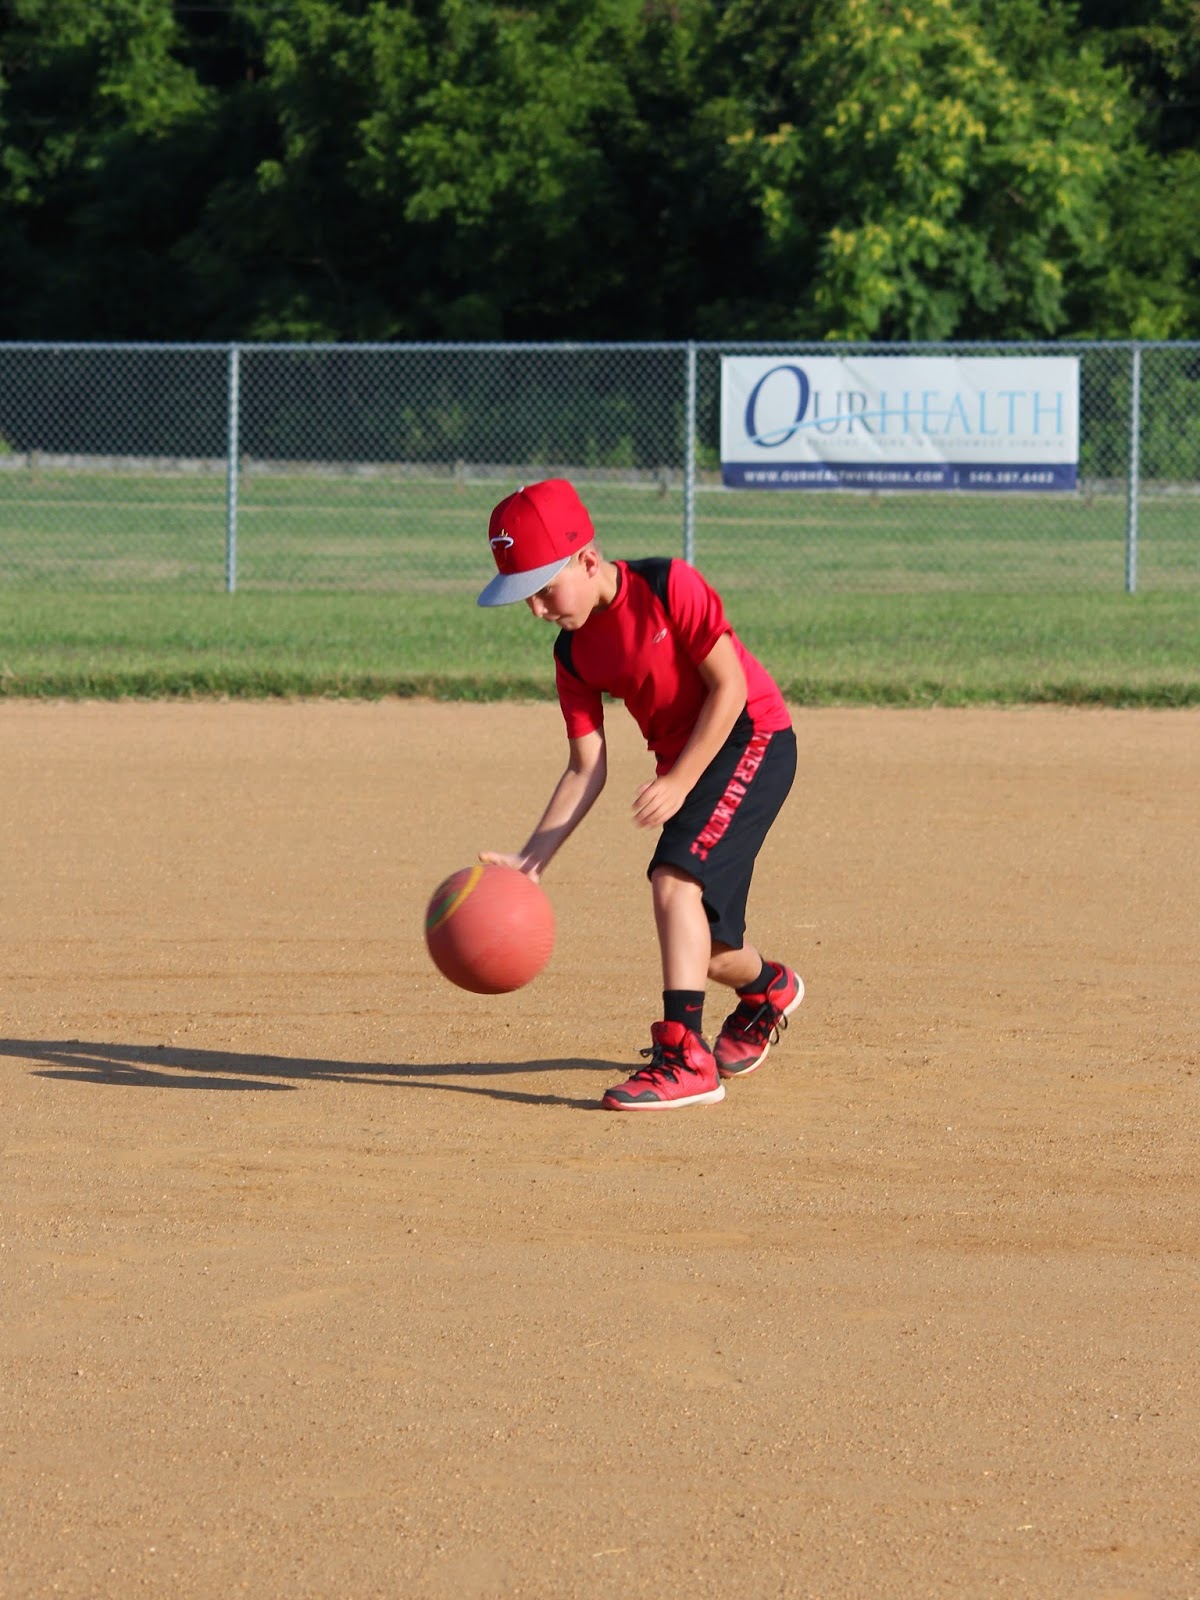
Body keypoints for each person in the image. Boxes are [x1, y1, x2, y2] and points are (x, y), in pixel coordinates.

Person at [477, 477, 802, 1111]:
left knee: (673, 881)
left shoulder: (667, 586)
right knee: (705, 951)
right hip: (693, 763)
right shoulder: (572, 653)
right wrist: (531, 861)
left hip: (751, 737)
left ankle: (686, 1058)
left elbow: (729, 688)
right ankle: (768, 989)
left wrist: (679, 782)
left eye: (544, 590)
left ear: (588, 560)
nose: (539, 610)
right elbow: (584, 767)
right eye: (526, 599)